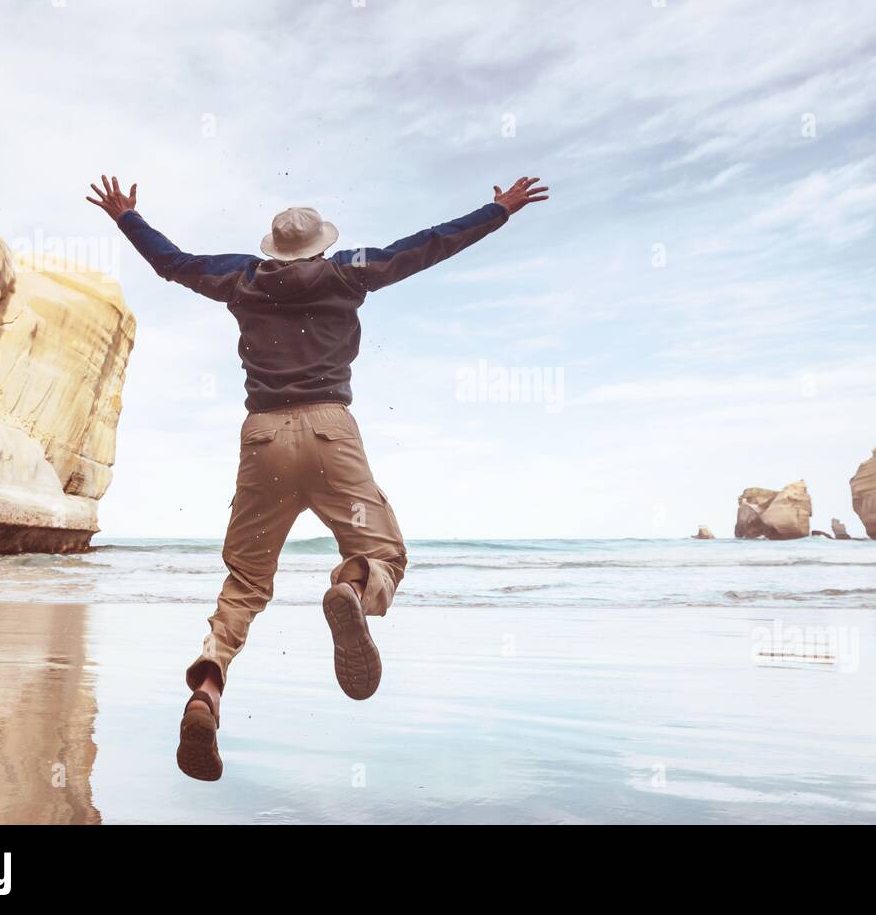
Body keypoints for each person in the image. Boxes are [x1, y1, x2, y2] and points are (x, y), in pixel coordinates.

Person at [86, 174, 549, 780]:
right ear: (319, 246)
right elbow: (428, 244)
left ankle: (208, 687)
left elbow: (174, 264)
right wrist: (497, 210)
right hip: (332, 436)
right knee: (383, 551)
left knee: (246, 580)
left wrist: (128, 219)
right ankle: (354, 585)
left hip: (263, 440)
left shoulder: (241, 276)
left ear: (275, 247)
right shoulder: (347, 272)